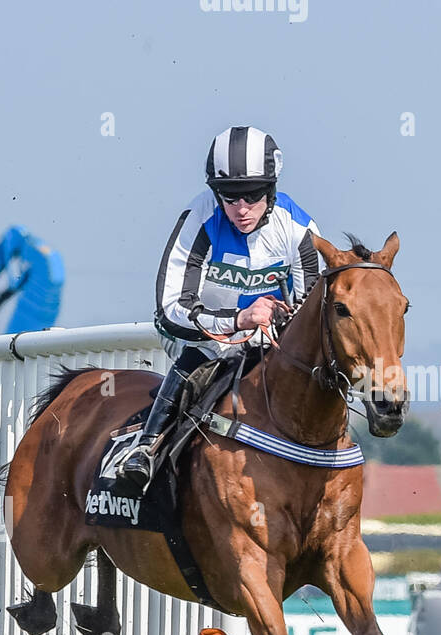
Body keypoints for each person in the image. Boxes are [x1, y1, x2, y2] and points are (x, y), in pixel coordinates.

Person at [114, 126, 323, 494]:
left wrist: (277, 325)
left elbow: (310, 312)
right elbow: (170, 308)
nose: (241, 210)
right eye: (229, 198)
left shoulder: (299, 228)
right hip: (196, 332)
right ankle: (147, 447)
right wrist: (236, 321)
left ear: (271, 190)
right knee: (205, 355)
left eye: (252, 197)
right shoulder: (199, 218)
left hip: (266, 335)